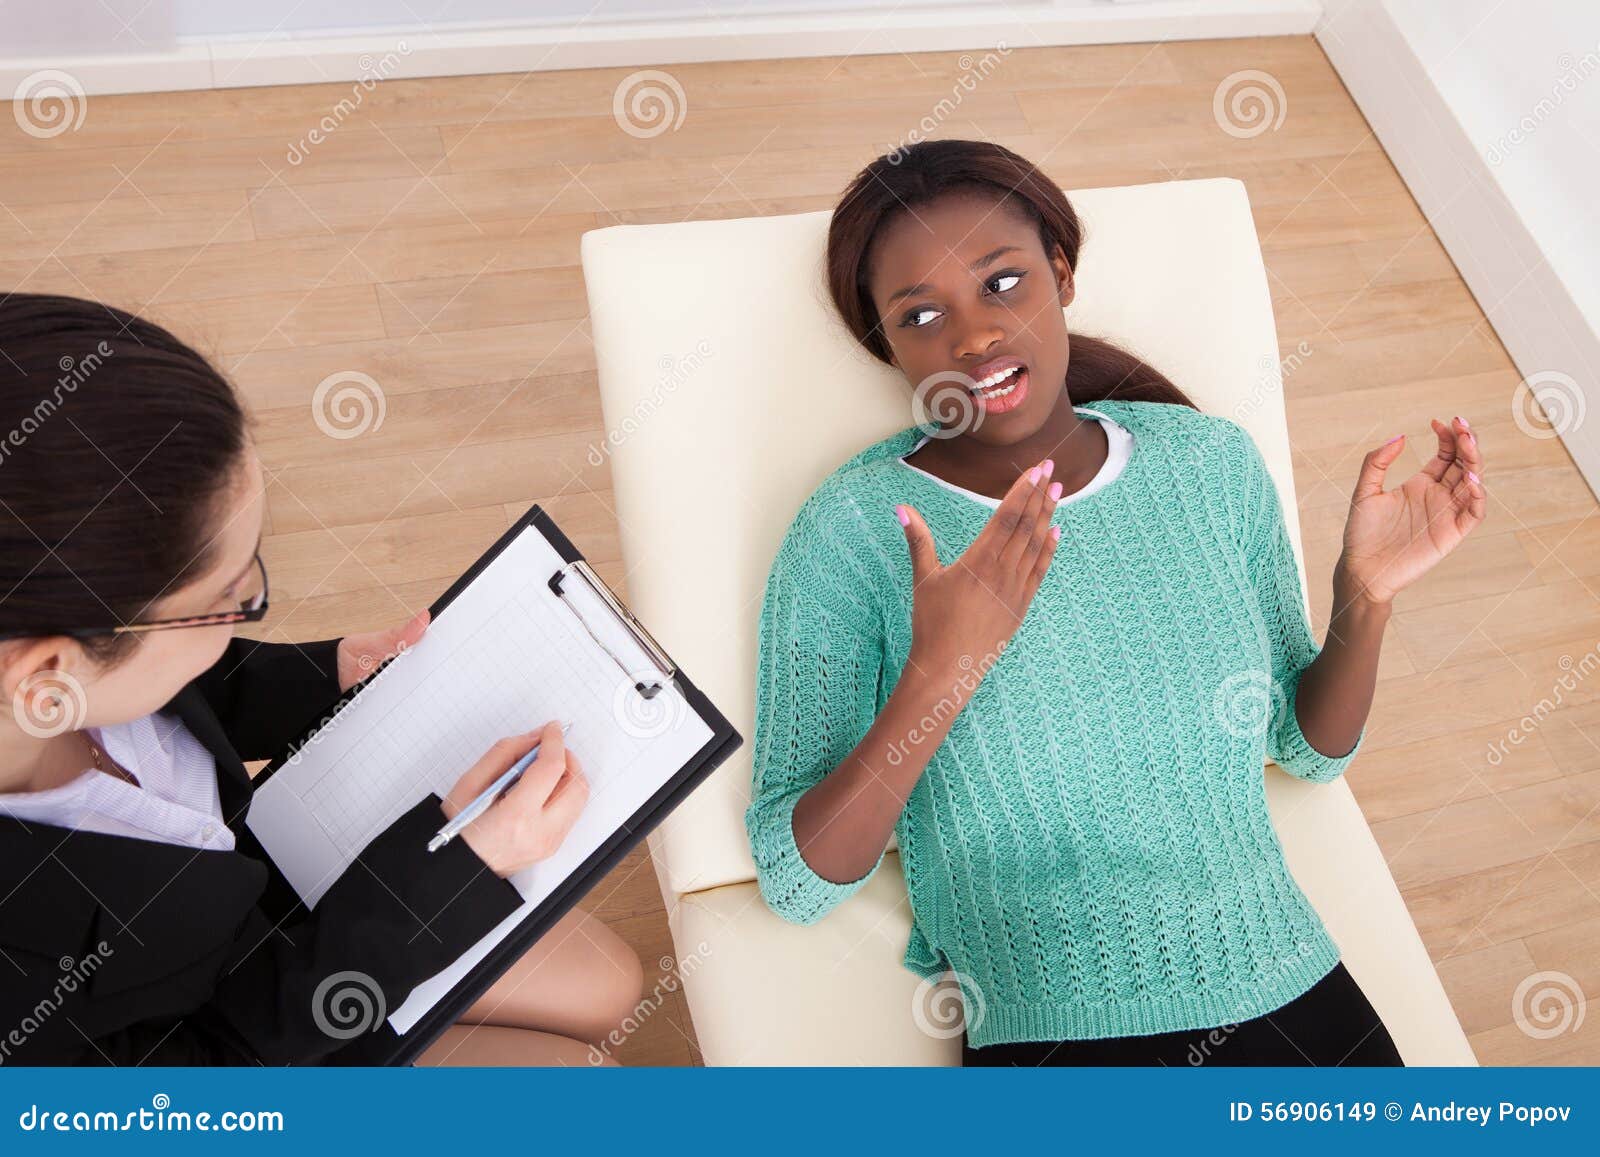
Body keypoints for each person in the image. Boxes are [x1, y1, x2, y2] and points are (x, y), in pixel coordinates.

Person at [745, 139, 1487, 1066]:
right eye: (920, 314)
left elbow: (1306, 747)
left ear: (1060, 272)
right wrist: (942, 670)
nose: (971, 336)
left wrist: (1364, 597)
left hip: (1296, 996)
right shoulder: (854, 529)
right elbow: (795, 877)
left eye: (1003, 282)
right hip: (1055, 1039)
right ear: (885, 343)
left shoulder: (1208, 463)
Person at [0, 293, 642, 1066]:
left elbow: (178, 695)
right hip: (258, 1043)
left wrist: (327, 674)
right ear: (47, 671)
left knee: (612, 984)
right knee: (585, 1077)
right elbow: (210, 1071)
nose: (246, 610)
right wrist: (447, 879)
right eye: (226, 600)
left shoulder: (52, 658)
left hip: (258, 894)